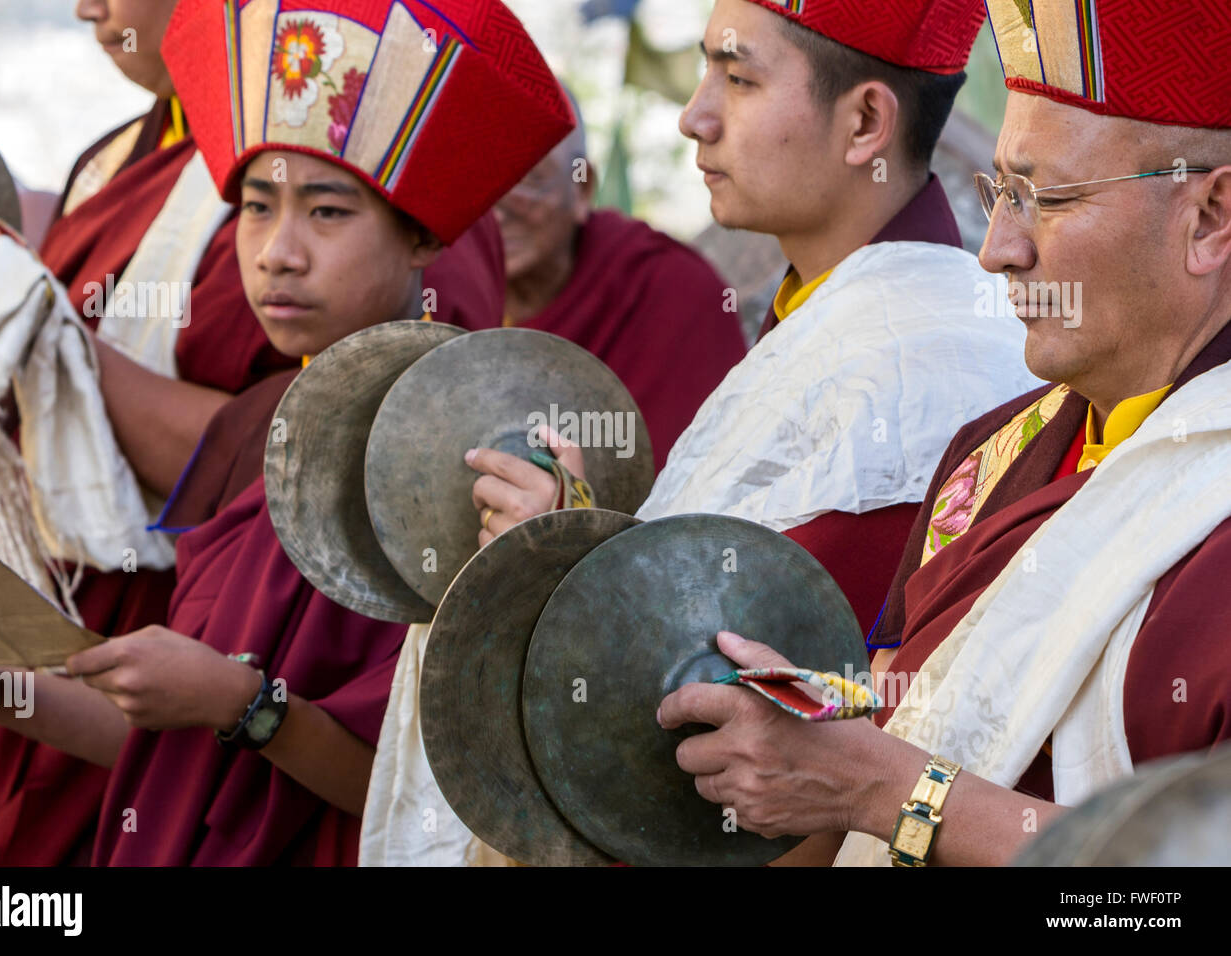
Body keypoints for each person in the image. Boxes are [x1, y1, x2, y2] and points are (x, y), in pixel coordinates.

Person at [360, 0, 1040, 866]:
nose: (695, 115)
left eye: (739, 77)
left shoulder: (918, 371)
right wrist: (570, 552)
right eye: (704, 71)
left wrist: (549, 591)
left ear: (866, 121)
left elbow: (756, 731)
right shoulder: (824, 316)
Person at [0, 0, 571, 866]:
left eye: (326, 213)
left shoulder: (463, 461)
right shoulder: (256, 436)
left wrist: (247, 704)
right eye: (253, 206)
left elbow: (431, 791)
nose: (278, 252)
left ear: (424, 234)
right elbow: (172, 744)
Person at [658, 0, 1231, 867]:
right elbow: (896, 724)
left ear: (1211, 217)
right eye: (1001, 192)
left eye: (1050, 199)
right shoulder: (988, 455)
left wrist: (894, 792)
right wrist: (806, 736)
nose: (1000, 248)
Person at [452, 88, 747, 467]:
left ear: (581, 188)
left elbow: (687, 494)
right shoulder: (441, 283)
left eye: (527, 178)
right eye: (477, 180)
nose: (497, 209)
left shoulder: (667, 289)